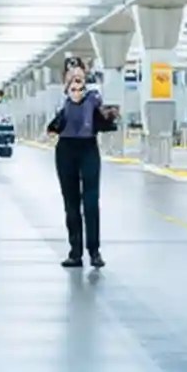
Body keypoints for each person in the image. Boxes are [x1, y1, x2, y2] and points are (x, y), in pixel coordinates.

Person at [47, 63, 118, 269]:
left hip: (88, 149)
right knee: (71, 203)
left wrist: (108, 114)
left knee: (90, 202)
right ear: (66, 79)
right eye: (71, 73)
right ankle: (75, 252)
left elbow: (105, 115)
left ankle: (94, 251)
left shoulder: (94, 98)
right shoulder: (61, 100)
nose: (76, 76)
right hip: (66, 150)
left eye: (79, 73)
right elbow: (53, 125)